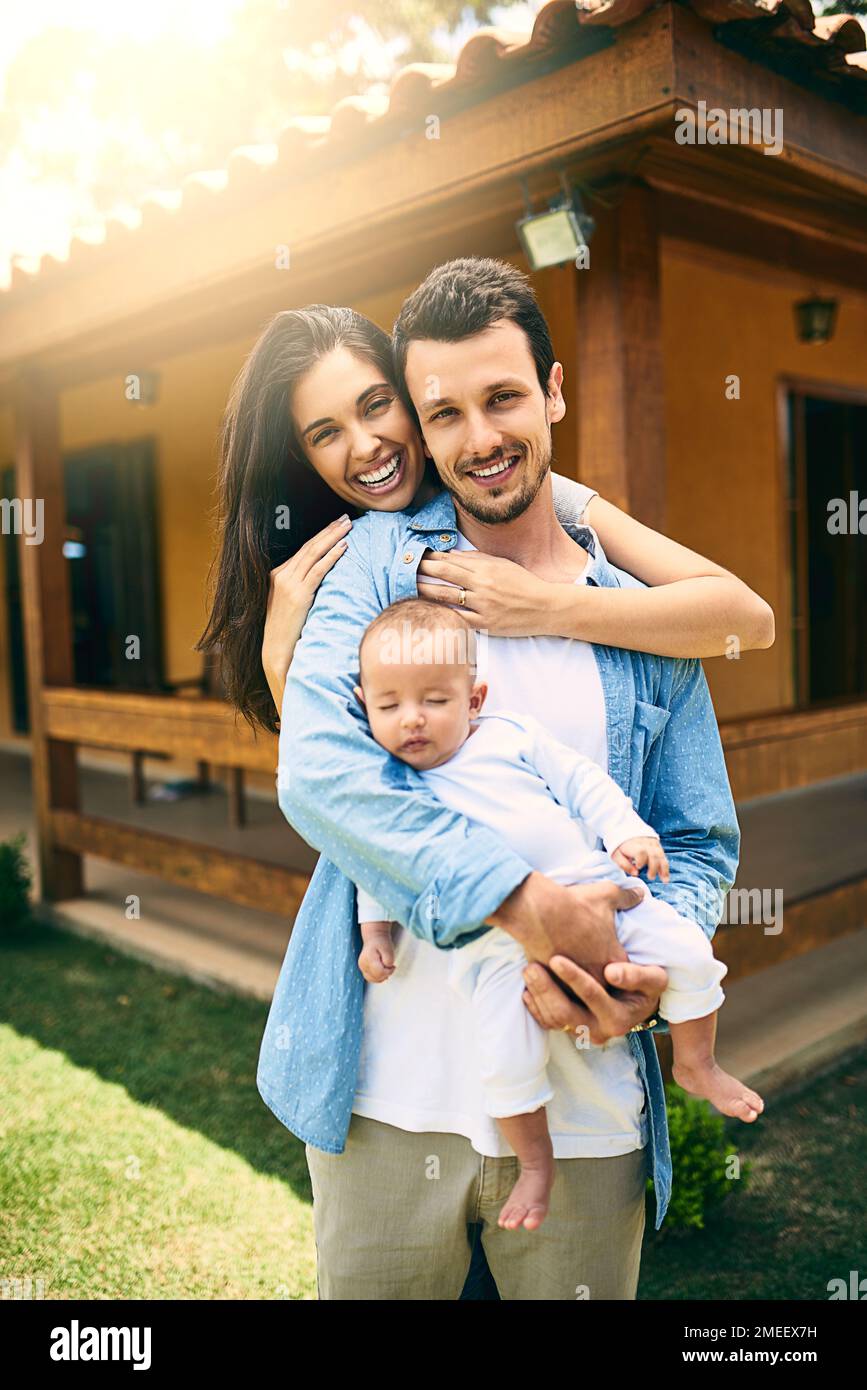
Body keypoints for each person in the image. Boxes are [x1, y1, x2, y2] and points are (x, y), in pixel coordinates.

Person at [199, 258, 773, 1300]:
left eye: (504, 397)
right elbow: (321, 773)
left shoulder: (647, 615)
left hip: (586, 1109)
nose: (478, 437)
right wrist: (530, 904)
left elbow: (697, 839)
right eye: (443, 412)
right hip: (384, 1099)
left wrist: (638, 977)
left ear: (553, 392)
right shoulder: (380, 563)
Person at [352, 596, 763, 1235]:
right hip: (490, 946)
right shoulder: (389, 781)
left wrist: (626, 831)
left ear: (475, 698)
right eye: (389, 705)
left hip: (599, 896)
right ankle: (536, 1164)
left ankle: (696, 1062)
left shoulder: (510, 737)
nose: (412, 720)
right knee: (507, 1057)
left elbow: (582, 782)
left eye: (435, 700)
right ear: (364, 704)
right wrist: (375, 930)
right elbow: (375, 855)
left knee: (688, 950)